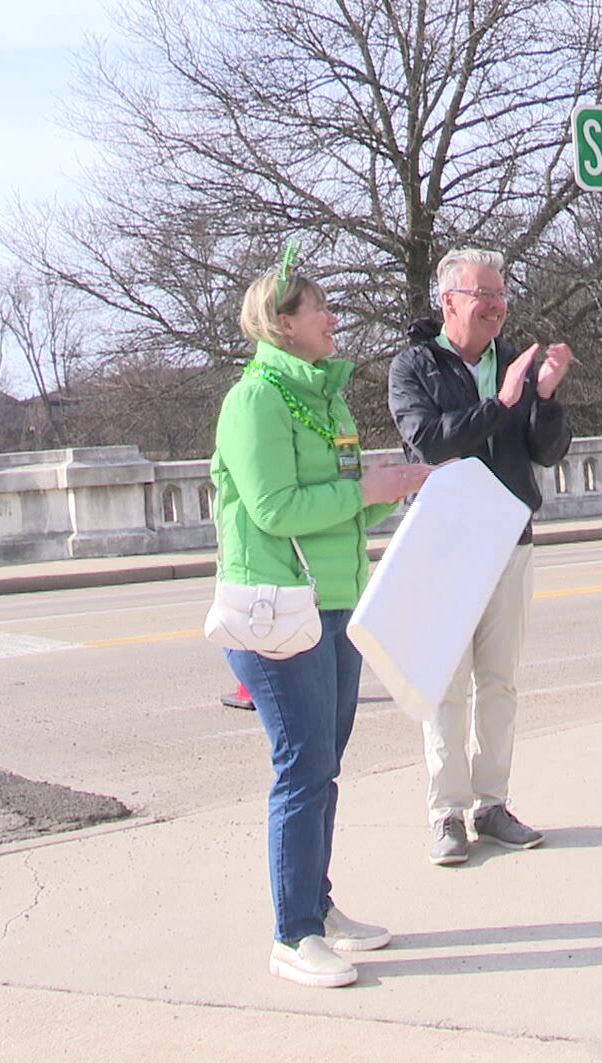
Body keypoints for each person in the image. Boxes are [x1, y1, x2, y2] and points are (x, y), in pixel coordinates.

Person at [212, 256, 432, 987]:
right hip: (277, 610)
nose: (334, 318)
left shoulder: (325, 399)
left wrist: (390, 490)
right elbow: (274, 510)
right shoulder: (255, 401)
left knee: (324, 768)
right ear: (283, 323)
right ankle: (292, 934)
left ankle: (319, 907)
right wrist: (362, 490)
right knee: (302, 768)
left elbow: (340, 501)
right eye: (321, 308)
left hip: (335, 601)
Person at [388, 248, 574, 866]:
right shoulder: (414, 366)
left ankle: (492, 805)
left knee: (500, 683)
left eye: (501, 295)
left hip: (509, 541)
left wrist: (544, 400)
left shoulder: (515, 360)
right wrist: (501, 402)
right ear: (449, 302)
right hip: (446, 544)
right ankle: (448, 814)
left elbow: (545, 453)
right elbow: (430, 442)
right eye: (483, 295)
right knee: (445, 683)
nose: (496, 306)